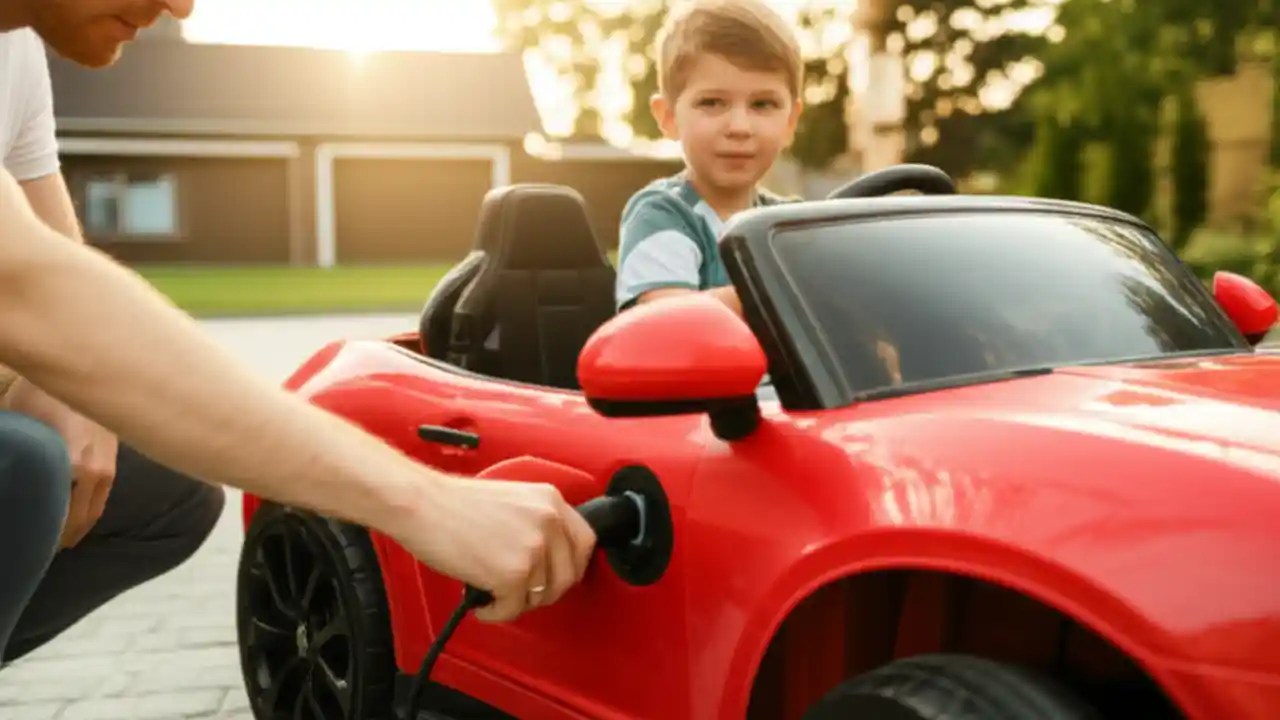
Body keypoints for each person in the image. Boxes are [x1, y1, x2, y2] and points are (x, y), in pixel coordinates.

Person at [0, 0, 596, 664]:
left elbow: (61, 281)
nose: (182, 6)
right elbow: (28, 289)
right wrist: (433, 505)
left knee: (172, 489)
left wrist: (57, 377)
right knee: (25, 461)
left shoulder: (15, 52)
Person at [614, 0, 805, 317]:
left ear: (790, 122)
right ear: (668, 117)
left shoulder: (791, 225)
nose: (739, 128)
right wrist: (788, 290)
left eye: (762, 104)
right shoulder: (663, 214)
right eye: (713, 102)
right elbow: (665, 319)